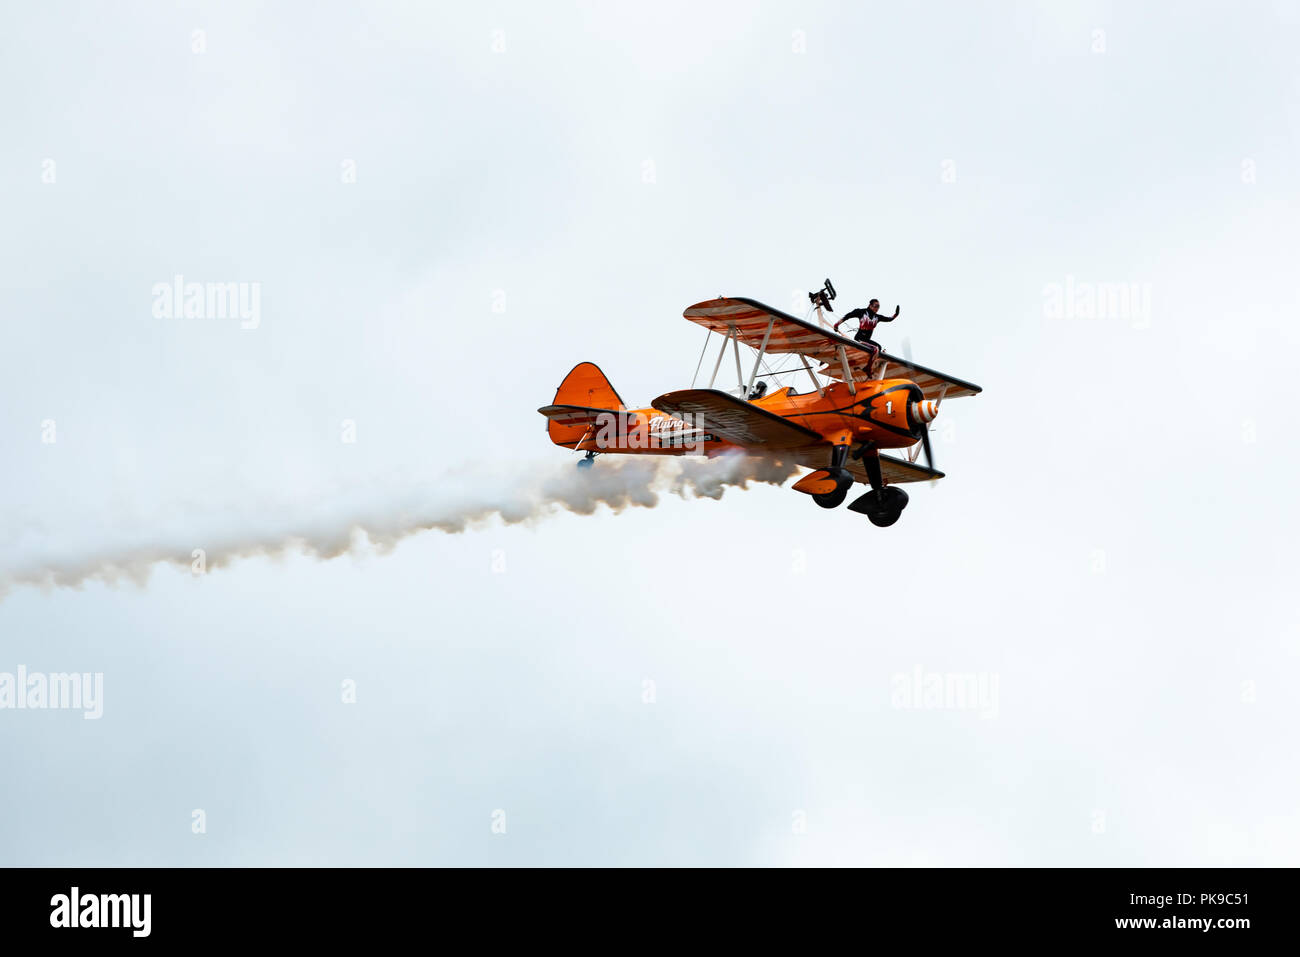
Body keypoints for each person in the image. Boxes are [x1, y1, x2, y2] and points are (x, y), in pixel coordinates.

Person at [834, 298, 900, 372]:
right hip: (859, 339)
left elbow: (889, 319)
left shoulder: (877, 317)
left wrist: (896, 314)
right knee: (876, 349)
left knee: (879, 348)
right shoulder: (861, 312)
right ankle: (868, 368)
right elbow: (847, 316)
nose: (877, 308)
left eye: (878, 307)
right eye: (875, 306)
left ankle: (868, 364)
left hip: (866, 340)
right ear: (870, 305)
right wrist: (837, 324)